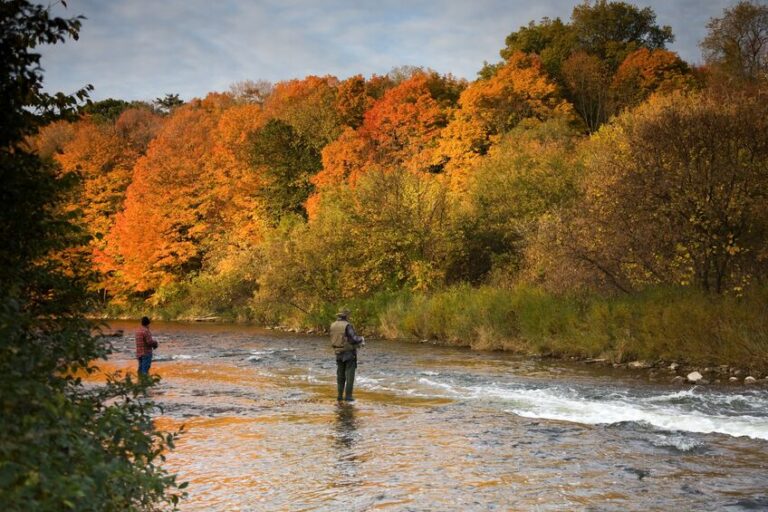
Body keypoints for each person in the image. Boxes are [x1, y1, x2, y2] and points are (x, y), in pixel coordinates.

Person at [330, 309, 364, 402]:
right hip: (348, 353)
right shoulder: (347, 325)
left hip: (338, 352)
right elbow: (353, 339)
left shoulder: (333, 325)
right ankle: (348, 397)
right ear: (346, 316)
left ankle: (340, 396)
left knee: (340, 376)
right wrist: (361, 339)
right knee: (349, 375)